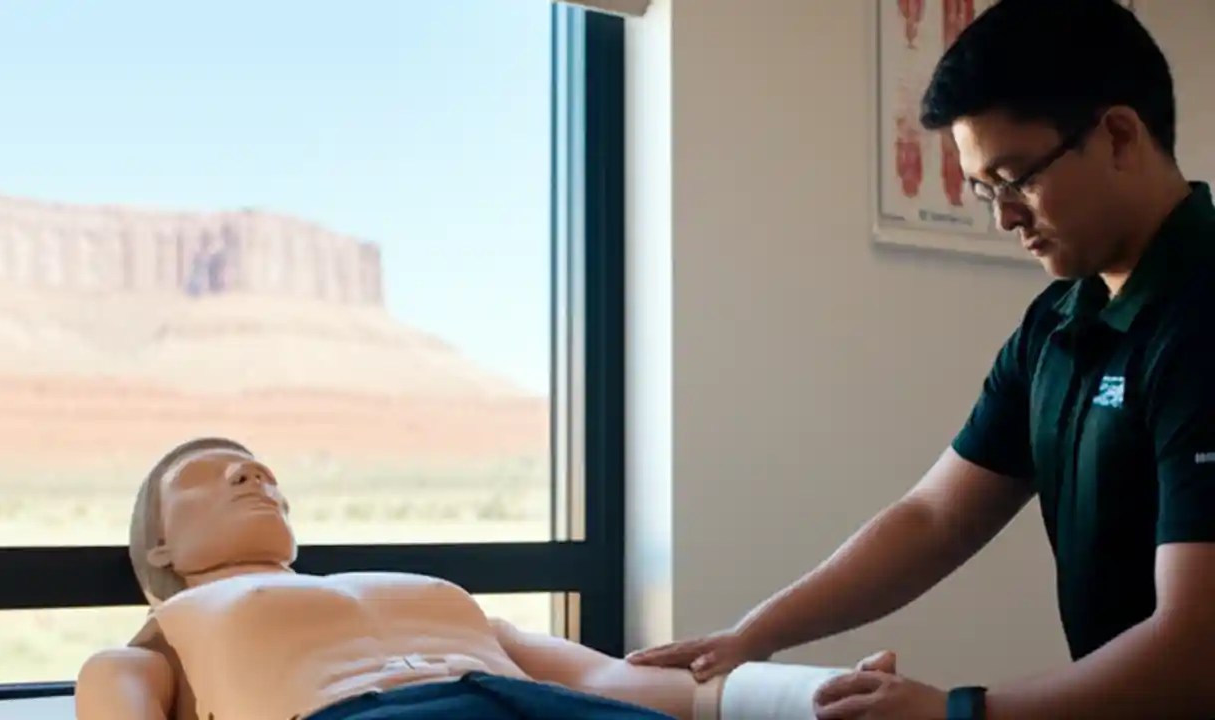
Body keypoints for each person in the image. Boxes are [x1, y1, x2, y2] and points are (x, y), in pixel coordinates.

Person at [628, 1, 1215, 718]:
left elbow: (1196, 649)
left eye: (1016, 178)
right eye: (984, 189)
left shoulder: (1200, 320)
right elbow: (936, 517)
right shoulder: (1058, 324)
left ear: (1119, 135)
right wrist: (756, 634)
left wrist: (955, 712)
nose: (1004, 216)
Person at [73, 437, 867, 720]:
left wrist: (807, 696)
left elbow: (607, 682)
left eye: (258, 467)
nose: (251, 470)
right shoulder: (158, 643)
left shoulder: (416, 593)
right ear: (161, 544)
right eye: (208, 474)